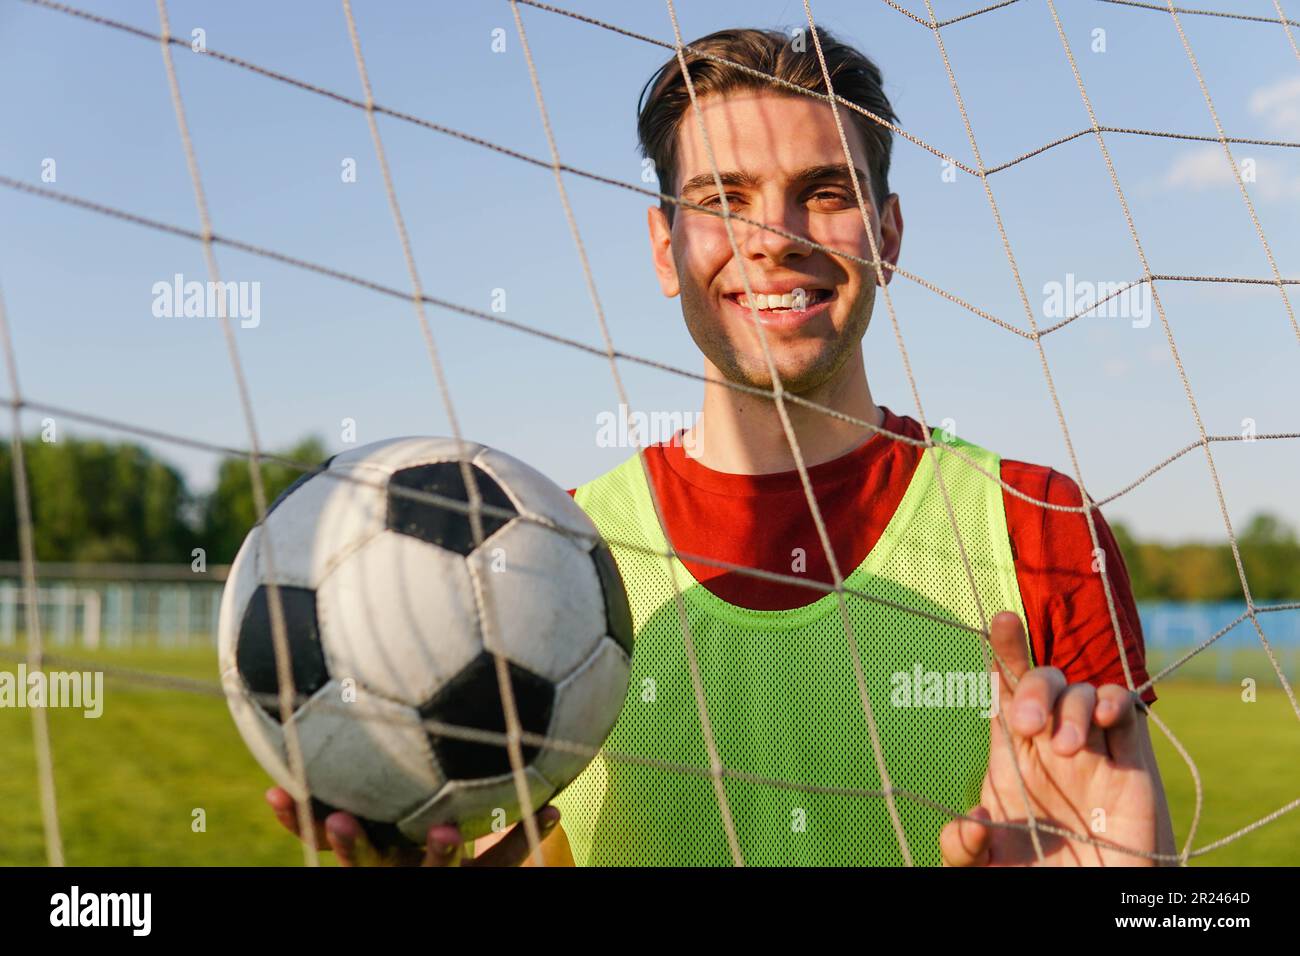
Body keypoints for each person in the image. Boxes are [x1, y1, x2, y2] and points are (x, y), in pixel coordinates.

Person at [269, 25, 1174, 867]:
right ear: (664, 248)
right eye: (722, 199)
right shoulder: (554, 555)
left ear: (889, 236)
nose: (774, 239)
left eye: (825, 194)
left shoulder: (1039, 525)